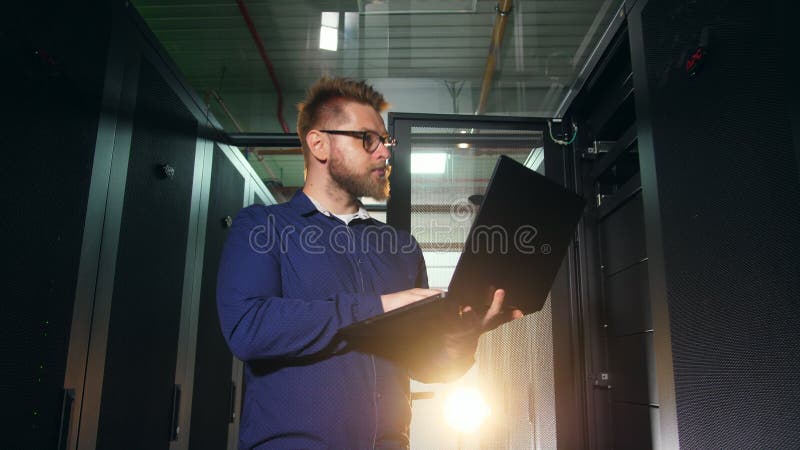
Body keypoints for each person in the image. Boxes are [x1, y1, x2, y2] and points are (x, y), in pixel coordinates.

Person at [217, 77, 522, 449]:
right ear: (319, 144)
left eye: (386, 142)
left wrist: (463, 337)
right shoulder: (263, 226)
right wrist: (379, 307)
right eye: (367, 139)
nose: (384, 153)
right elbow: (248, 328)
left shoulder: (401, 247)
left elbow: (427, 365)